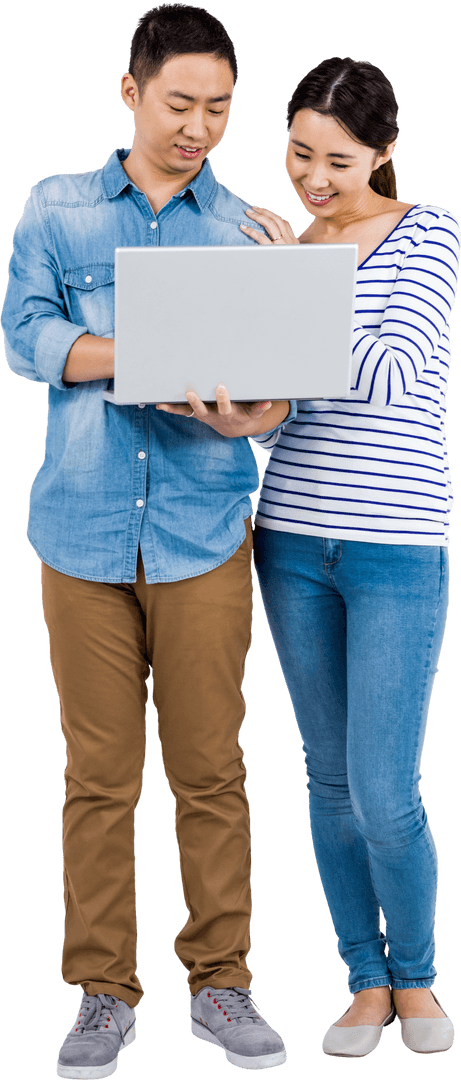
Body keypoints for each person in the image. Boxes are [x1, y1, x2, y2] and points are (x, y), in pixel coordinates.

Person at [1, 5, 292, 1076]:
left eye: (218, 108)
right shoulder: (58, 207)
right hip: (77, 533)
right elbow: (23, 334)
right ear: (131, 93)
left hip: (204, 527)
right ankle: (99, 994)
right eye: (179, 104)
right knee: (97, 773)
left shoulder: (248, 231)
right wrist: (137, 353)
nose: (198, 127)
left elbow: (279, 398)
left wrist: (242, 414)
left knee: (211, 768)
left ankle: (221, 983)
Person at [234, 55, 458, 1057]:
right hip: (287, 542)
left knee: (383, 788)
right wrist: (237, 411)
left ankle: (415, 980)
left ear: (384, 151)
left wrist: (289, 284)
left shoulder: (428, 234)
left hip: (394, 549)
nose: (312, 178)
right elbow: (278, 411)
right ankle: (361, 983)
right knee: (324, 782)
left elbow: (391, 370)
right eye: (296, 153)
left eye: (335, 159)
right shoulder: (272, 245)